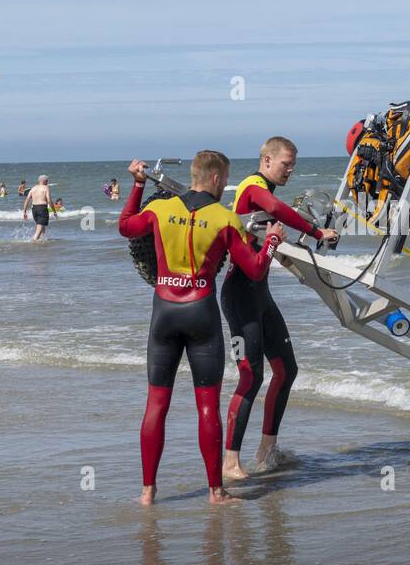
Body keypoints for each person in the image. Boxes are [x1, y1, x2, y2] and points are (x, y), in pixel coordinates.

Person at [118, 151, 285, 506]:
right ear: (215, 179)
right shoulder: (225, 219)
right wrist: (271, 241)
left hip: (163, 312)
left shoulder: (161, 210)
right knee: (206, 406)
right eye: (224, 180)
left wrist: (136, 185)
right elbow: (254, 270)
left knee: (156, 405)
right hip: (201, 315)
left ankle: (147, 493)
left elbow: (126, 226)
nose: (225, 186)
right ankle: (215, 492)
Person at [222, 136, 338, 479]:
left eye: (293, 165)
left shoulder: (265, 192)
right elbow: (275, 209)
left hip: (260, 293)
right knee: (251, 376)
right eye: (286, 164)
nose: (290, 170)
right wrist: (316, 232)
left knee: (286, 370)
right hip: (239, 295)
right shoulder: (252, 187)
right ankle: (230, 462)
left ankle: (267, 451)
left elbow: (270, 232)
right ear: (267, 160)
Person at [22, 175, 54, 240]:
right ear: (46, 181)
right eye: (47, 181)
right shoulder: (46, 188)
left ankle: (42, 240)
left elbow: (27, 200)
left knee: (41, 226)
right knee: (38, 231)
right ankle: (33, 242)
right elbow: (49, 200)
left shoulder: (33, 188)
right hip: (42, 208)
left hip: (34, 209)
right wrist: (54, 211)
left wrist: (24, 212)